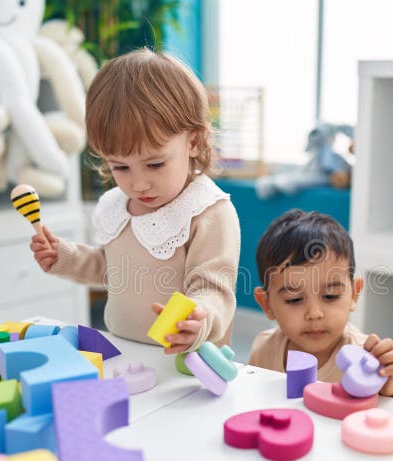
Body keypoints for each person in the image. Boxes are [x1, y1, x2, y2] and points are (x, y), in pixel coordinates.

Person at [30, 49, 240, 354]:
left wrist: (199, 319)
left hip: (186, 360)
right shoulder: (118, 205)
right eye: (120, 167)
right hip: (122, 350)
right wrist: (64, 256)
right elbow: (110, 269)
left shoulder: (208, 212)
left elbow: (213, 289)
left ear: (192, 142)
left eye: (155, 164)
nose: (138, 184)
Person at [249, 209, 393, 399]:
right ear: (267, 305)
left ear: (354, 294)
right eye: (294, 299)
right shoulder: (264, 349)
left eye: (330, 296)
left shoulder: (367, 358)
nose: (314, 314)